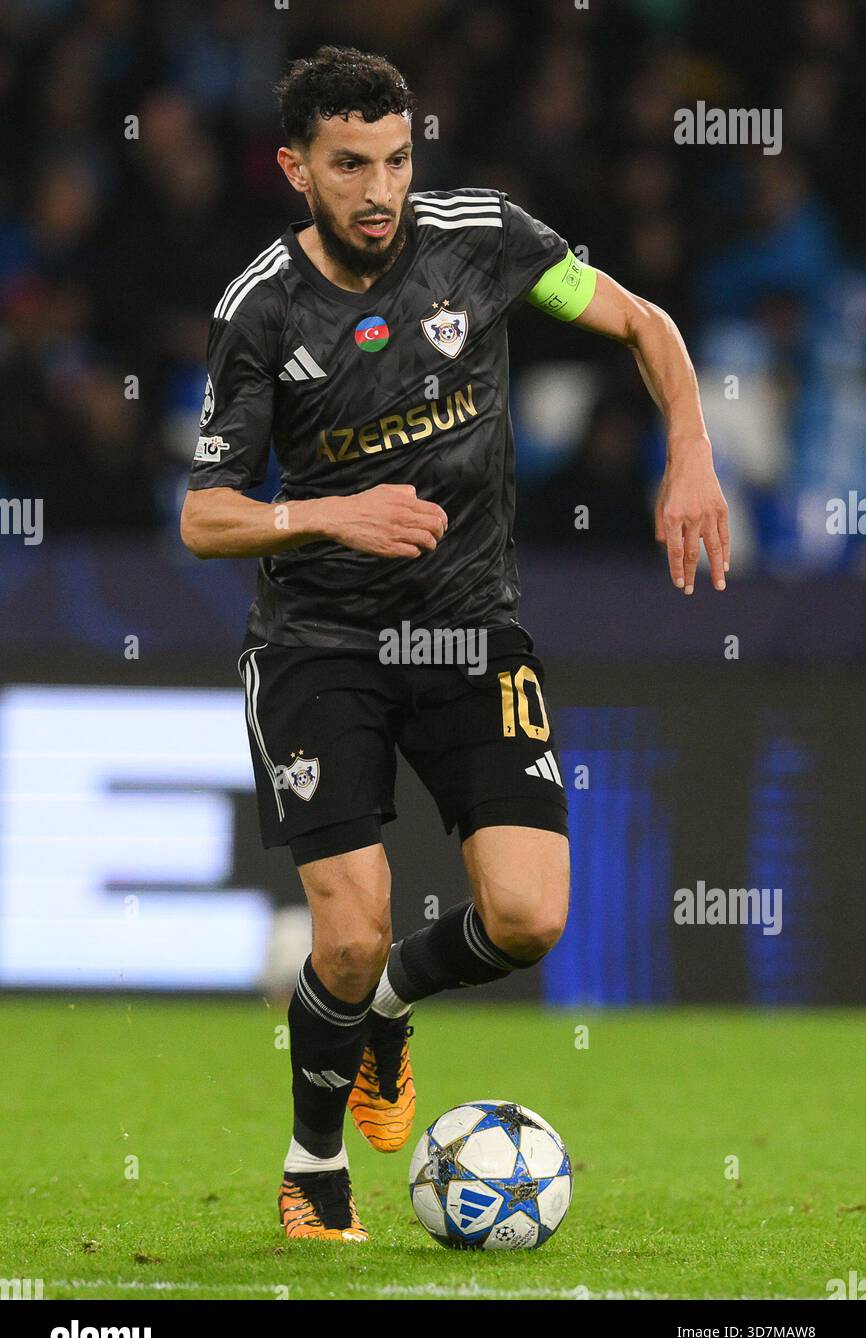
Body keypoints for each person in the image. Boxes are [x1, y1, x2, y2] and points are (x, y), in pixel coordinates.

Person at [179, 45, 729, 1242]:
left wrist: (688, 449)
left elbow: (642, 323)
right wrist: (329, 510)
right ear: (294, 169)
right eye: (348, 165)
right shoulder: (261, 310)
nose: (378, 188)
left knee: (529, 916)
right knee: (350, 922)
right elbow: (205, 513)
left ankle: (381, 1009)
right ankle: (311, 1163)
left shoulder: (482, 238)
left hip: (470, 631)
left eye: (394, 159)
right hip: (319, 644)